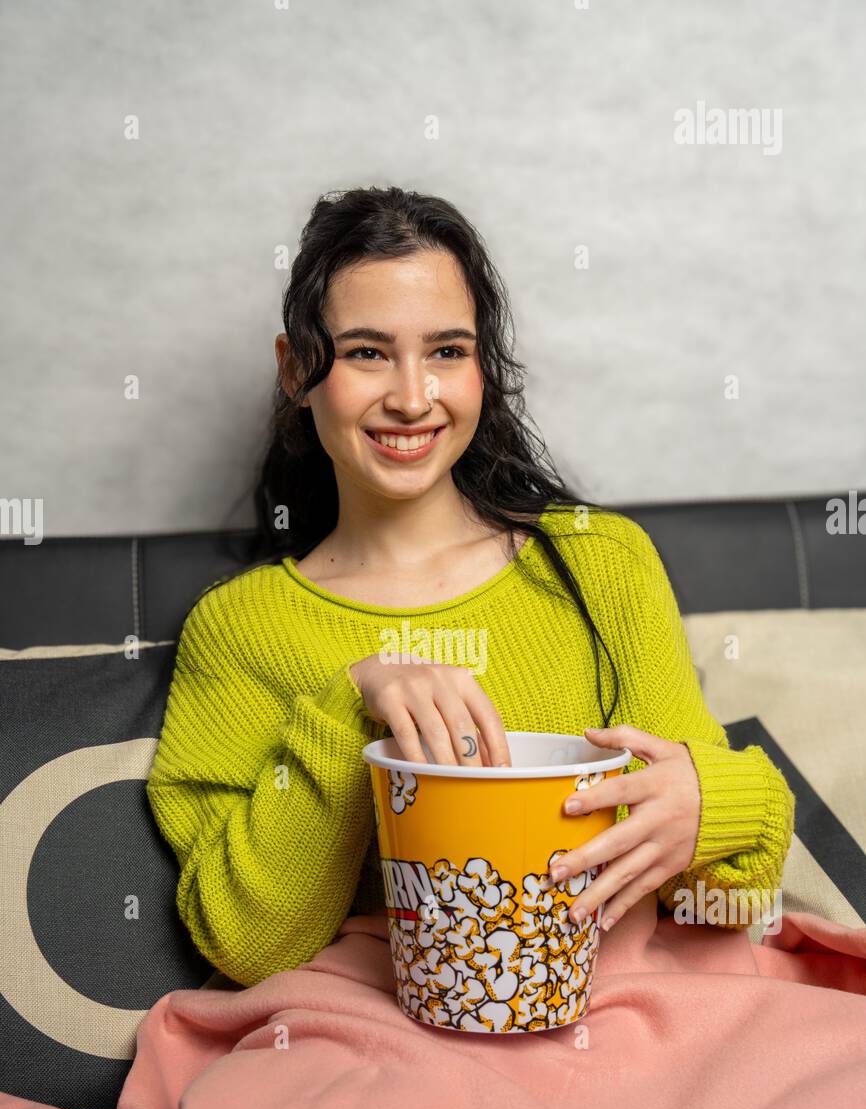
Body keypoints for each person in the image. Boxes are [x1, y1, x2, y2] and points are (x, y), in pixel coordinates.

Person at [146, 185, 795, 988]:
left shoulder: (602, 564)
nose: (413, 398)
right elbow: (247, 946)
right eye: (366, 352)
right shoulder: (240, 628)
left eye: (447, 351)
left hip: (623, 1024)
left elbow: (727, 896)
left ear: (482, 364)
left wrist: (719, 802)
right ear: (296, 369)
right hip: (390, 1047)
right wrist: (355, 697)